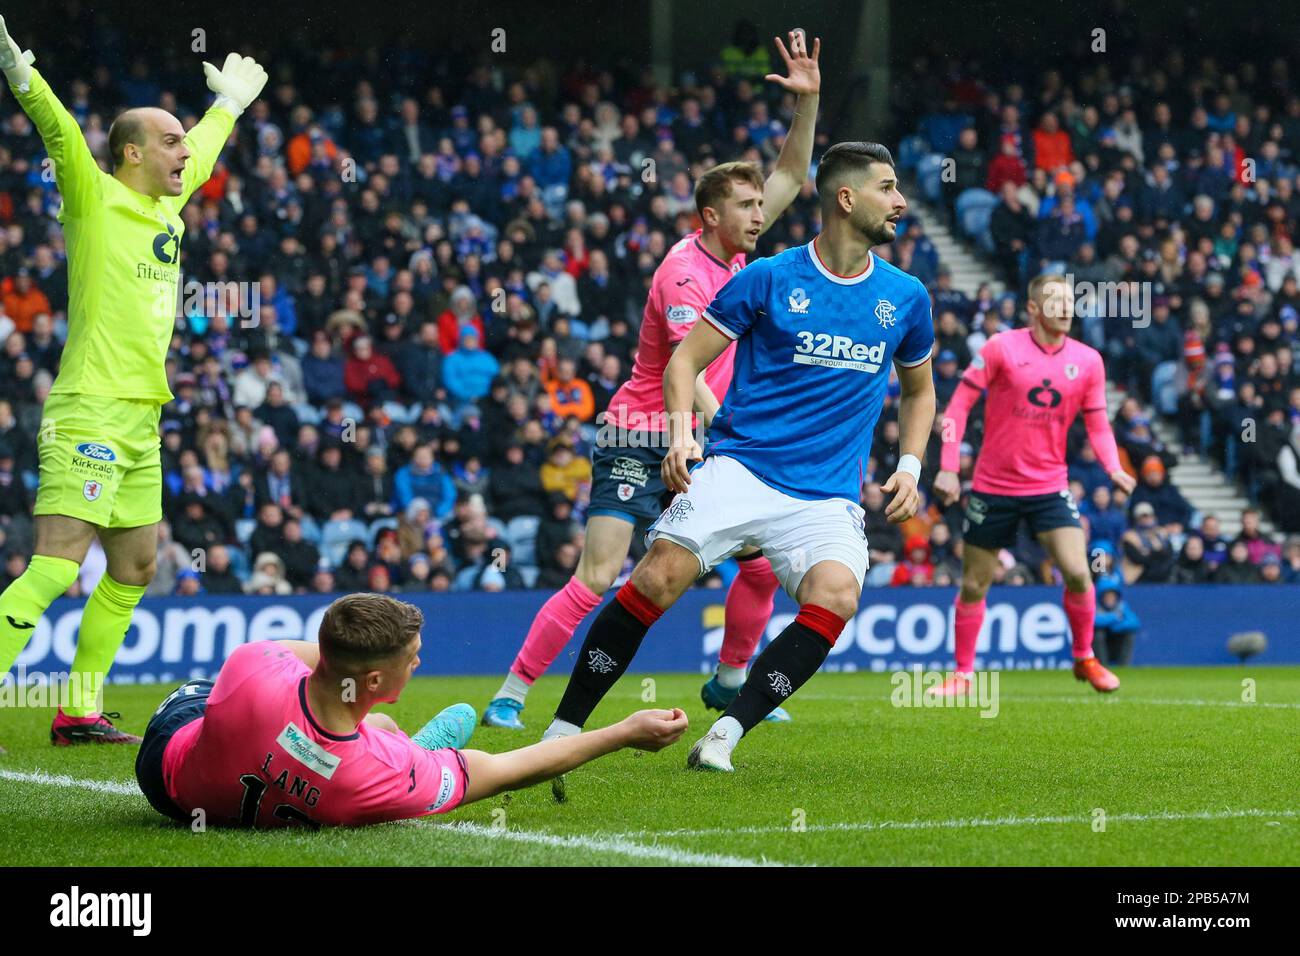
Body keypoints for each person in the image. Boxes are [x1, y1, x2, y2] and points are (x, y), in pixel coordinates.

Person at [542, 140, 935, 773]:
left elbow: (920, 391)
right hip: (742, 469)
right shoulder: (769, 277)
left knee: (836, 596)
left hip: (828, 495)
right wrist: (679, 435)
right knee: (658, 576)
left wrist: (911, 464)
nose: (901, 201)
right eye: (887, 188)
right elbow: (683, 361)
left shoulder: (907, 296)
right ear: (846, 197)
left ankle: (724, 733)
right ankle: (562, 729)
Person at [481, 30, 822, 731]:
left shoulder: (740, 264)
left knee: (756, 567)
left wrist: (808, 105)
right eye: (747, 207)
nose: (762, 214)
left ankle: (729, 681)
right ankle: (512, 694)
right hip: (640, 432)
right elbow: (684, 368)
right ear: (711, 216)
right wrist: (723, 435)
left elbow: (792, 171)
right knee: (598, 576)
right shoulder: (684, 272)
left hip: (706, 434)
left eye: (762, 205)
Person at [0, 17, 267, 746]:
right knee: (57, 564)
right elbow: (57, 131)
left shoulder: (166, 208)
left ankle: (78, 709)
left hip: (142, 417)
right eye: (171, 140)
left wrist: (229, 109)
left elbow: (208, 152)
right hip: (88, 407)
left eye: (185, 138)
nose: (186, 151)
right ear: (131, 154)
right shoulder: (93, 196)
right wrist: (22, 76)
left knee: (136, 564)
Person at [135, 593, 686, 828]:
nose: (418, 664)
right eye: (413, 659)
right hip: (353, 761)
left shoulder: (252, 667)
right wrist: (623, 731)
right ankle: (411, 744)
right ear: (376, 679)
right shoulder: (375, 777)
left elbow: (322, 662)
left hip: (165, 774)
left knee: (362, 721)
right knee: (383, 731)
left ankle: (377, 726)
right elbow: (508, 769)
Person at [931, 273, 1138, 697]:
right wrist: (950, 466)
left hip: (1049, 487)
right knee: (974, 583)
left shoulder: (1088, 360)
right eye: (1055, 300)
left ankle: (1084, 658)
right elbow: (956, 409)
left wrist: (1113, 466)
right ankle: (963, 675)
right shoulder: (1000, 348)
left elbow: (1098, 422)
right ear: (1032, 308)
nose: (1065, 307)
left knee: (1080, 573)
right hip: (992, 487)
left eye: (1070, 300)